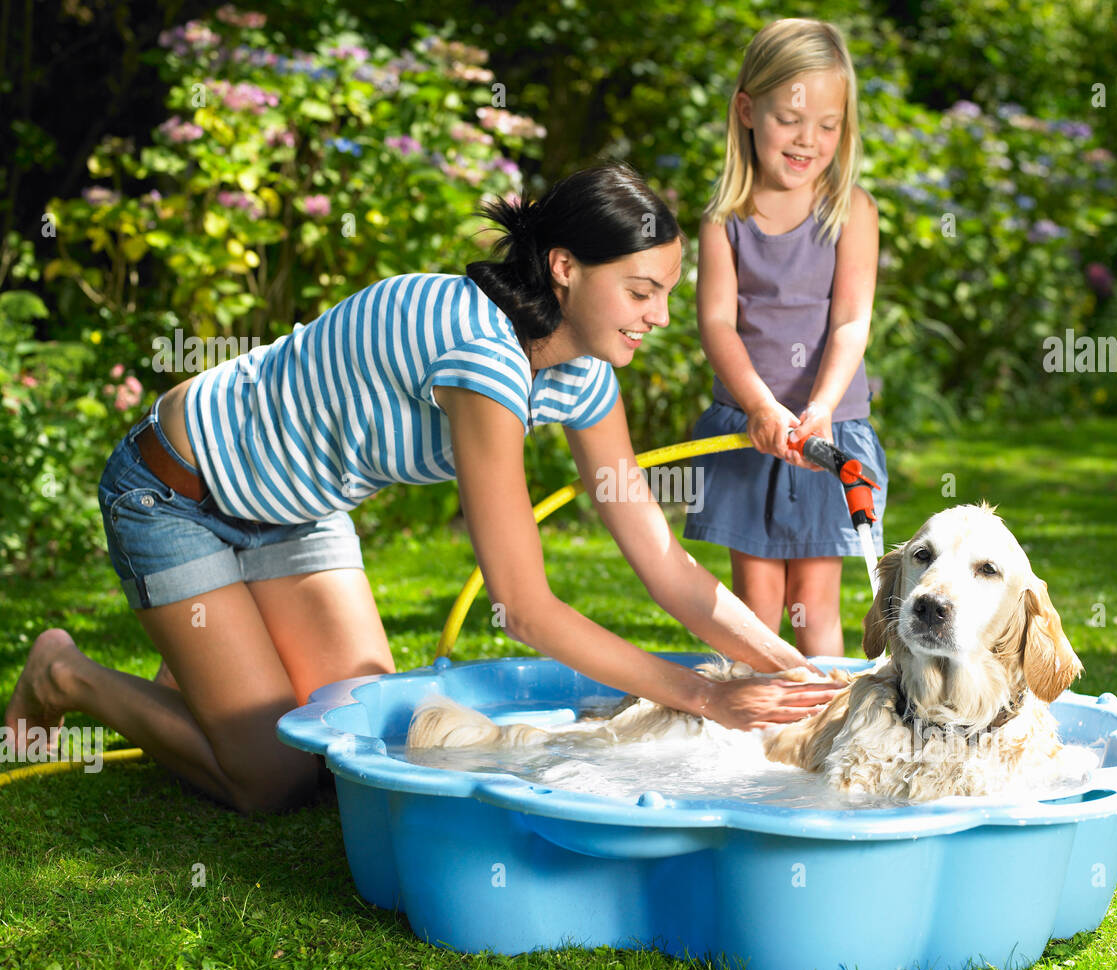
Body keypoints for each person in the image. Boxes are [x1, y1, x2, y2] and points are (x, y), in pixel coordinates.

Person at [3, 163, 844, 814]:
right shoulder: (479, 353)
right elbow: (523, 604)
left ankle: (208, 660)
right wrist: (702, 693)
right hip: (178, 494)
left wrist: (794, 668)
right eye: (641, 290)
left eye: (666, 289)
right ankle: (65, 674)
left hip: (295, 513)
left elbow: (663, 564)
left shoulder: (584, 378)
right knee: (273, 777)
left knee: (351, 740)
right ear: (563, 268)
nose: (661, 316)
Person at [684, 18, 889, 657]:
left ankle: (818, 726)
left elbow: (852, 319)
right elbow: (716, 323)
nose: (808, 140)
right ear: (747, 110)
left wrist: (820, 408)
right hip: (752, 430)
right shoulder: (725, 221)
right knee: (757, 597)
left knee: (817, 598)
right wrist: (759, 406)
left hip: (829, 430)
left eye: (828, 126)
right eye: (790, 120)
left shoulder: (852, 210)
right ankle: (749, 725)